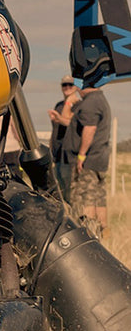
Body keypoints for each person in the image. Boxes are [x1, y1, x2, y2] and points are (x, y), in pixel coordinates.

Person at [70, 82, 112, 237]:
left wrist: (81, 155)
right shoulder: (100, 99)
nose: (77, 89)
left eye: (78, 85)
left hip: (89, 160)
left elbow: (90, 129)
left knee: (85, 198)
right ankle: (103, 231)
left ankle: (88, 235)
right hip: (100, 160)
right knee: (99, 197)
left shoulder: (91, 102)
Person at [48, 74, 81, 202]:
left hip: (70, 155)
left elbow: (69, 123)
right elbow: (55, 130)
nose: (67, 87)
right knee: (60, 193)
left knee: (70, 193)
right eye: (64, 85)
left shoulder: (79, 105)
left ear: (76, 87)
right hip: (57, 154)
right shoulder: (59, 105)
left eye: (70, 85)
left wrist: (68, 103)